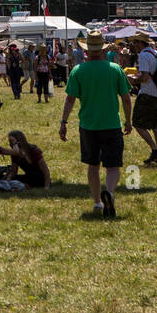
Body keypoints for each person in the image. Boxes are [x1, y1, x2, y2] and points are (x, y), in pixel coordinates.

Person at [61, 32, 132, 219]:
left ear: (87, 52)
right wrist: (129, 120)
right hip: (111, 124)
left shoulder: (78, 71)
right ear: (103, 50)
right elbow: (126, 98)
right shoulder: (115, 69)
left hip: (88, 125)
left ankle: (97, 202)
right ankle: (109, 192)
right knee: (113, 166)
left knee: (92, 166)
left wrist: (63, 122)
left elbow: (70, 100)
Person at [130, 32, 157, 166]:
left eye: (135, 42)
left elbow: (145, 78)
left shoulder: (143, 55)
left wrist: (133, 80)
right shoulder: (156, 53)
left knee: (137, 123)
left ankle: (155, 150)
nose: (134, 45)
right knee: (156, 126)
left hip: (148, 94)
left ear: (141, 43)